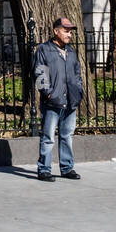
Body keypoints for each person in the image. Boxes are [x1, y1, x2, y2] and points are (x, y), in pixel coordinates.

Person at [32, 16, 83, 182]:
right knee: (48, 137)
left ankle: (67, 168)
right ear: (56, 31)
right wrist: (48, 93)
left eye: (70, 31)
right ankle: (44, 169)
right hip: (52, 101)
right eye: (66, 30)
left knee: (67, 136)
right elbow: (40, 73)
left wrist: (78, 91)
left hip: (70, 101)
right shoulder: (44, 49)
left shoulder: (71, 52)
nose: (69, 34)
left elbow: (77, 75)